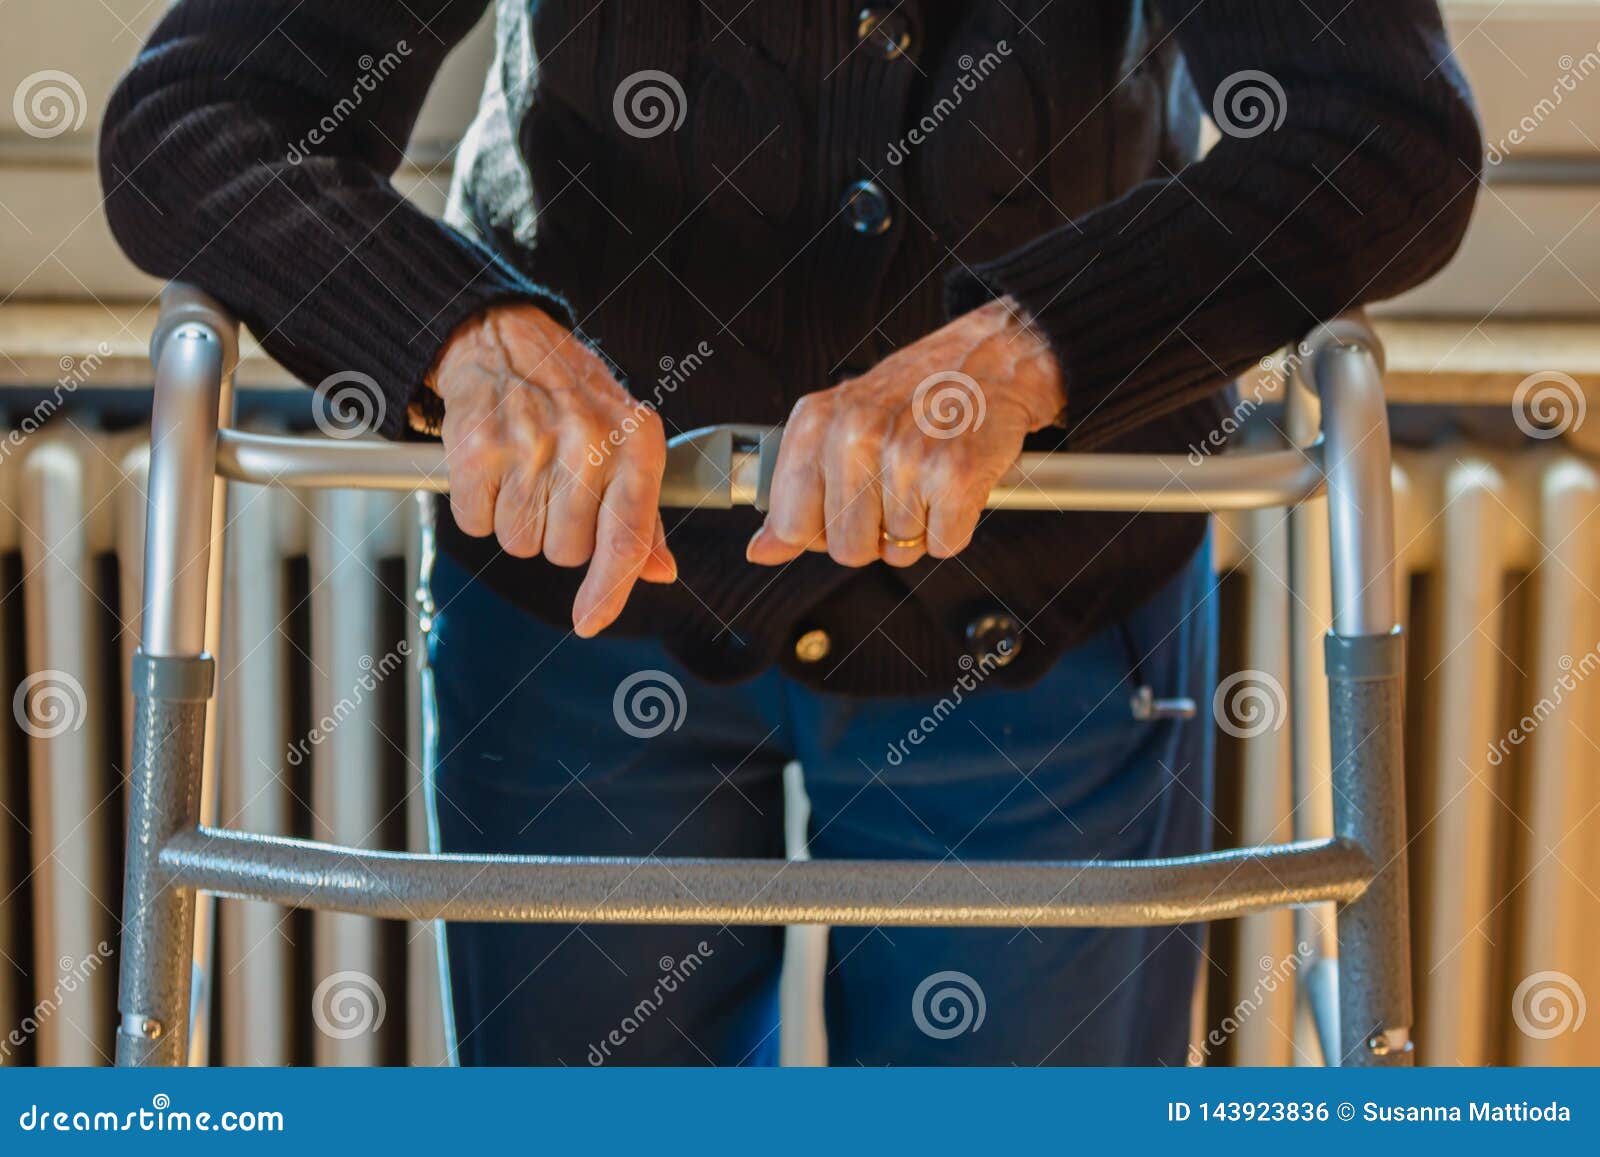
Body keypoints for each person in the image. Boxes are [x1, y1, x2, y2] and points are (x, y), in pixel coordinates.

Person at [101, 0, 1480, 1066]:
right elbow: (196, 114)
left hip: (1037, 600)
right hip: (582, 594)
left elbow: (1382, 130)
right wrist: (463, 330)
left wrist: (1033, 345)